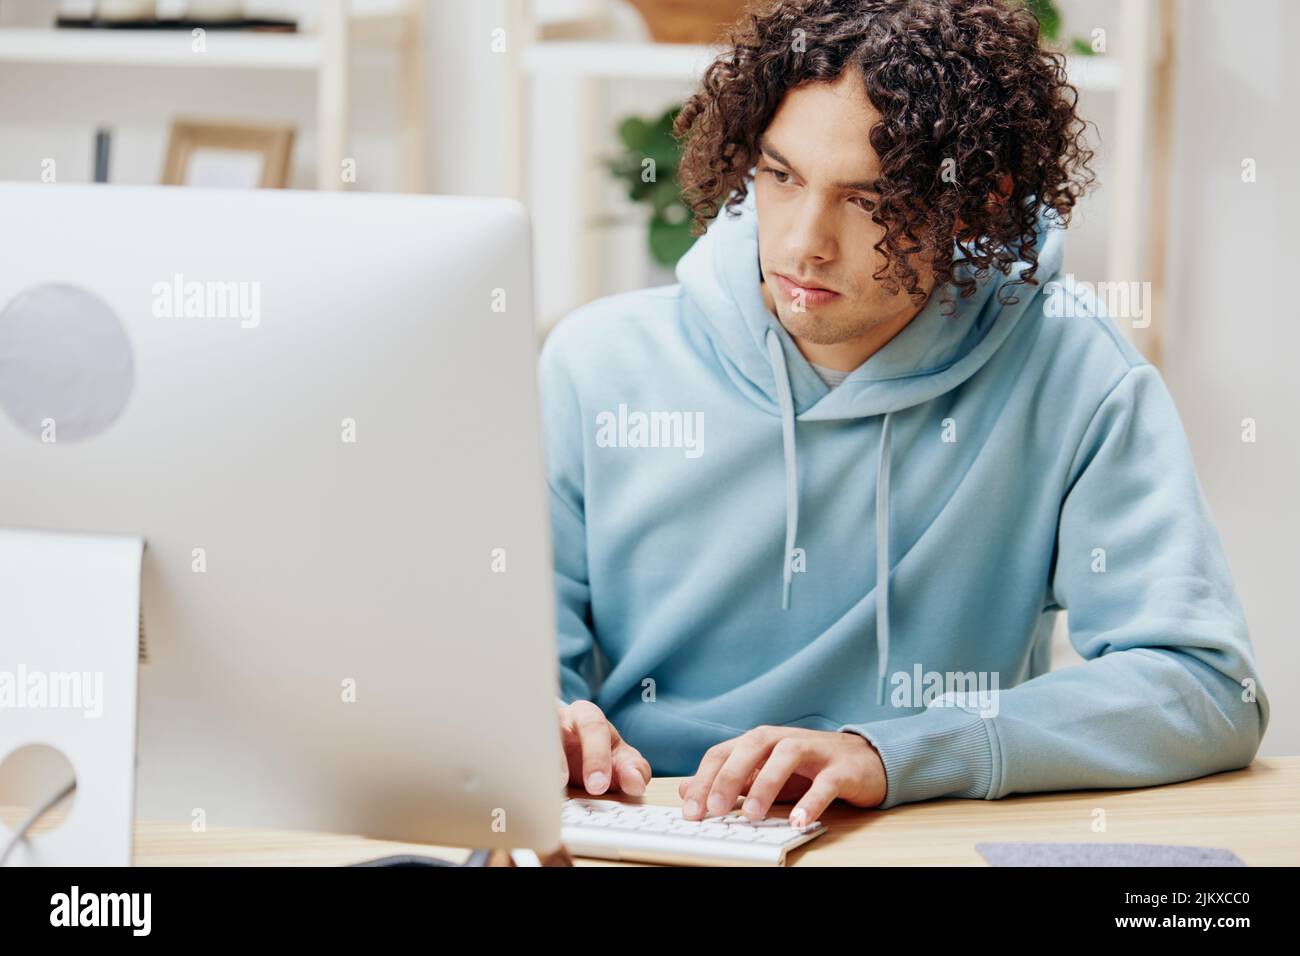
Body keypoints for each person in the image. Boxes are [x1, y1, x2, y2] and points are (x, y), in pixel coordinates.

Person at [542, 0, 1268, 827]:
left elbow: (1205, 689)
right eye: (781, 176)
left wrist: (895, 753)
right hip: (649, 828)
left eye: (867, 199)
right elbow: (510, 663)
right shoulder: (595, 366)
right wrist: (542, 718)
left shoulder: (1074, 373)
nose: (802, 244)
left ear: (977, 203)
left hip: (911, 832)